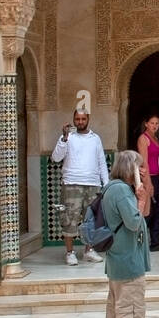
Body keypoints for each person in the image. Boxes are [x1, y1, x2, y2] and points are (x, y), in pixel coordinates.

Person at [100, 150, 153, 318]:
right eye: (138, 167)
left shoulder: (112, 187)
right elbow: (133, 222)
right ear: (129, 167)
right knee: (128, 306)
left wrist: (142, 194)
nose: (141, 170)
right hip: (127, 259)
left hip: (117, 257)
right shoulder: (121, 191)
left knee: (115, 304)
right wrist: (140, 200)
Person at [51, 109, 110, 266]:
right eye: (77, 119)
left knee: (90, 219)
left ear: (88, 119)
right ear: (73, 120)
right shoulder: (68, 137)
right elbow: (56, 157)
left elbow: (101, 162)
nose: (80, 122)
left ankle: (89, 250)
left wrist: (107, 184)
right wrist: (63, 138)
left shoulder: (95, 138)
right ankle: (69, 253)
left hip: (93, 184)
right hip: (72, 184)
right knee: (69, 218)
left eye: (83, 119)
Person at [136, 111, 159, 252]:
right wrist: (147, 183)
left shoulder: (155, 138)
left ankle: (156, 242)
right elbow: (144, 161)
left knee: (158, 210)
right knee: (147, 211)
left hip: (157, 177)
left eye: (157, 123)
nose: (155, 126)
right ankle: (141, 242)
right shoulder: (143, 139)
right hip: (148, 177)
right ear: (146, 124)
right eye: (152, 123)